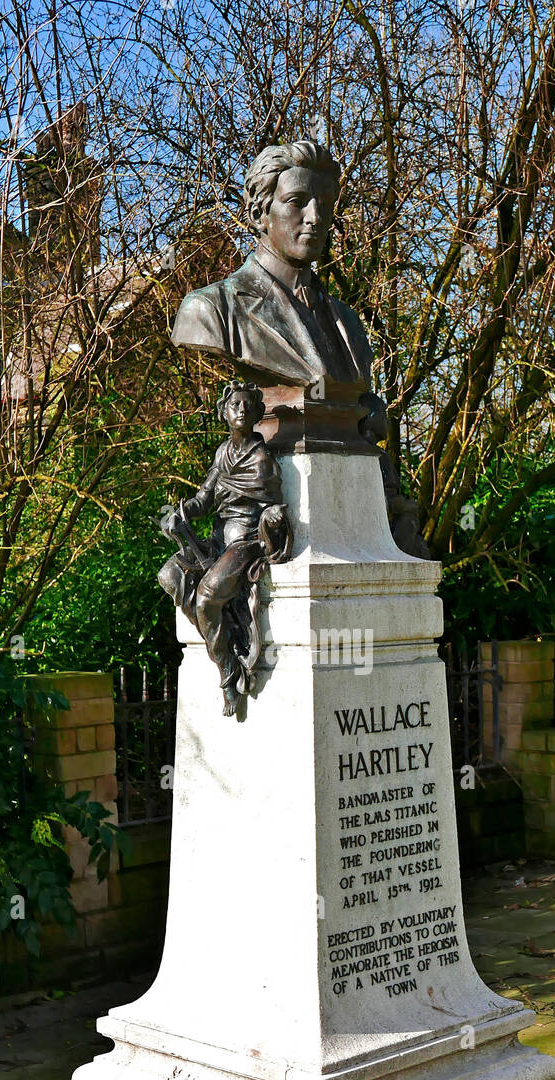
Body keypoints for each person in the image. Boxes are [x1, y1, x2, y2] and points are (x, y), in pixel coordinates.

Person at [172, 141, 373, 387]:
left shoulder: (349, 323)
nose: (315, 217)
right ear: (258, 215)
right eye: (296, 201)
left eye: (324, 204)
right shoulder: (211, 309)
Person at [159, 381, 291, 715]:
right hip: (218, 540)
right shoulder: (222, 454)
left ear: (258, 414)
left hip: (244, 542)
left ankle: (227, 671)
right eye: (235, 405)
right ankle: (223, 639)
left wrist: (273, 521)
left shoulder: (262, 461)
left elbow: (272, 507)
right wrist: (182, 513)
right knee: (170, 575)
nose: (242, 410)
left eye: (248, 405)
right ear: (224, 413)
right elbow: (205, 498)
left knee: (205, 599)